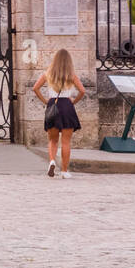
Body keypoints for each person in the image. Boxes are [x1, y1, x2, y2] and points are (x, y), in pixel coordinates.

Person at [32, 49, 86, 178]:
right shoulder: (71, 75)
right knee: (66, 142)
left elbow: (35, 88)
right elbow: (82, 91)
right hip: (67, 106)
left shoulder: (48, 74)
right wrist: (73, 102)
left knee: (52, 140)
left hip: (52, 105)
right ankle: (64, 171)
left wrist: (46, 101)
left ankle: (51, 161)